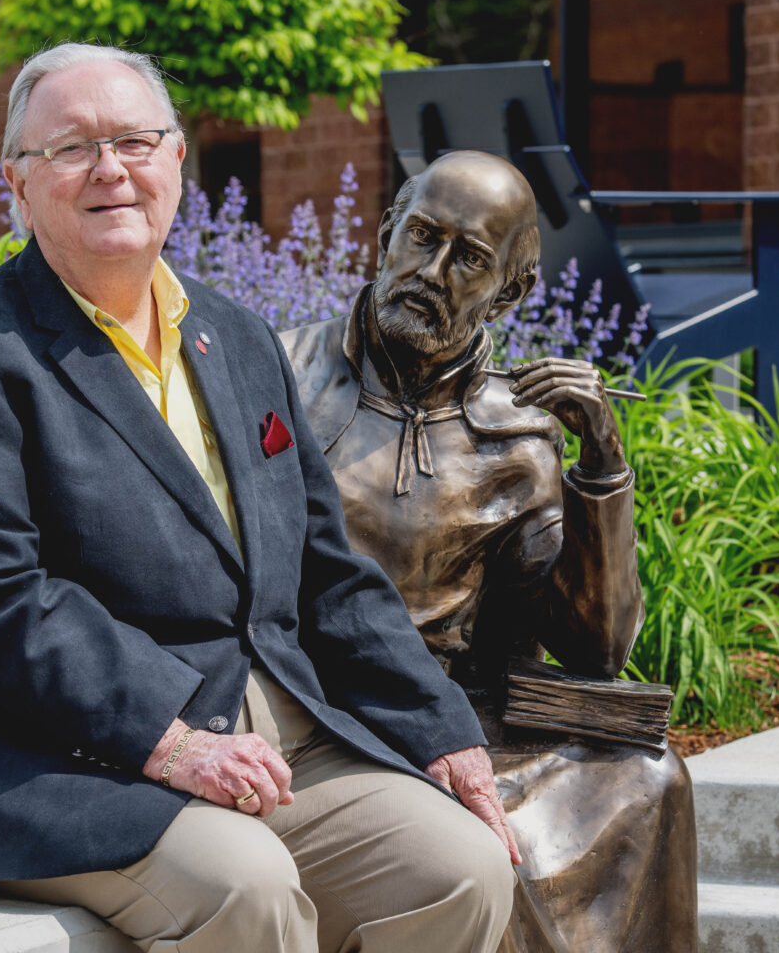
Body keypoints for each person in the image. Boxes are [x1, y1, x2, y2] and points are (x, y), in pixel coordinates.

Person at [0, 43, 517, 953]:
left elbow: (326, 569)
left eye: (134, 141)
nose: (109, 169)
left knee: (460, 868)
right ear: (18, 186)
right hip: (51, 757)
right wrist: (174, 741)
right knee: (246, 887)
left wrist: (442, 731)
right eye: (70, 149)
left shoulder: (238, 338)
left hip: (278, 740)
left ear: (177, 160)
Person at [282, 151, 698, 953]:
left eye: (469, 258)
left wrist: (602, 468)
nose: (432, 272)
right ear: (385, 234)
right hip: (317, 702)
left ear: (511, 291)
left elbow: (597, 651)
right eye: (422, 237)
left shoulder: (520, 433)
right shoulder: (282, 374)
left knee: (649, 779)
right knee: (475, 828)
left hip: (461, 714)